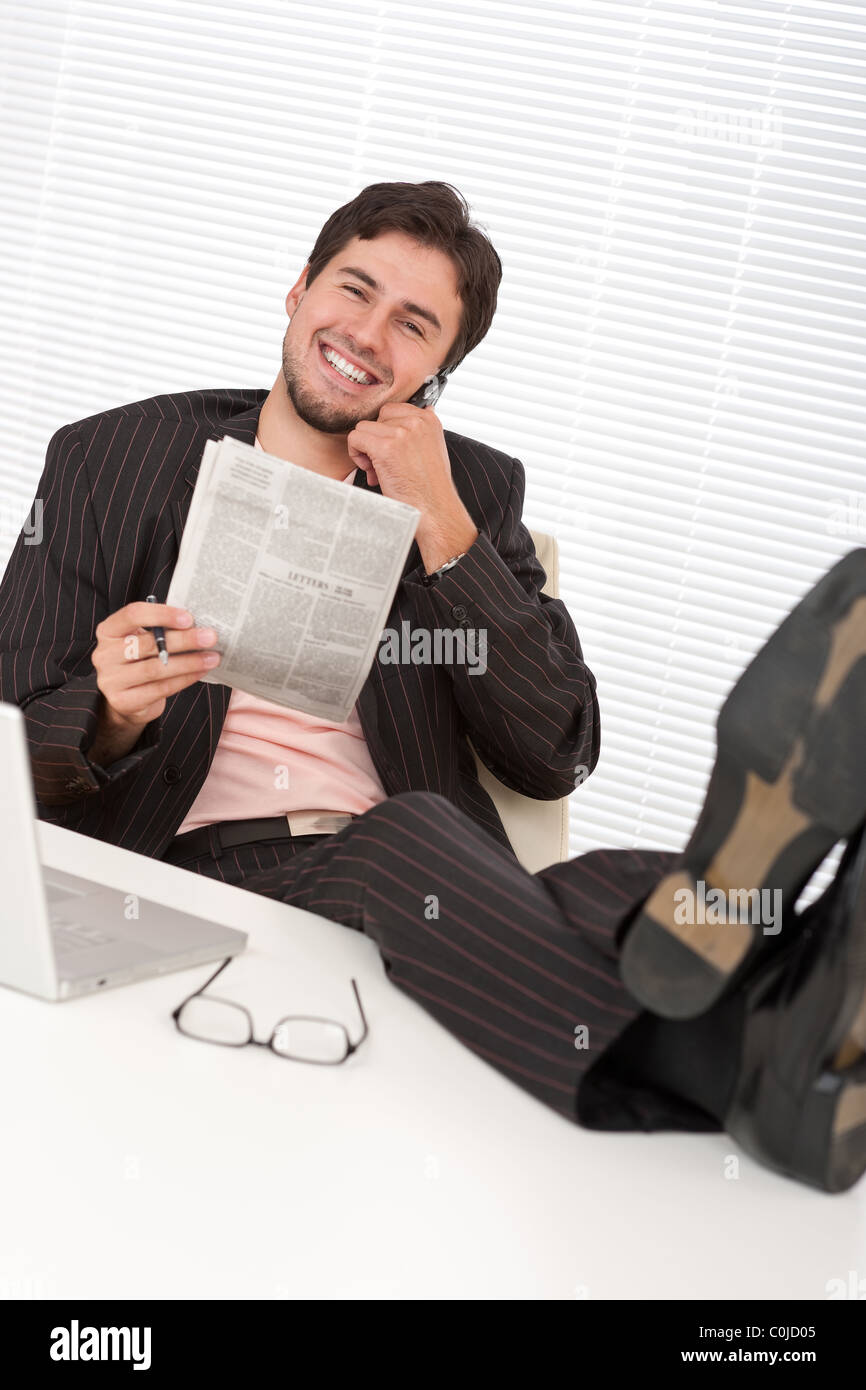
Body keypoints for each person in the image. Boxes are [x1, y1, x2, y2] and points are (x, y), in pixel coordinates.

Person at [1, 181, 864, 1194]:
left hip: (423, 873)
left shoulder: (471, 492)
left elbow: (555, 753)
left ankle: (799, 1001)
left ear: (436, 376)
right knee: (409, 839)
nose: (366, 334)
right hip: (206, 874)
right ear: (296, 290)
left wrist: (444, 531)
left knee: (613, 882)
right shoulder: (116, 457)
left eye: (411, 326)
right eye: (352, 290)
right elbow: (12, 730)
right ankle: (761, 1044)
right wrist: (109, 711)